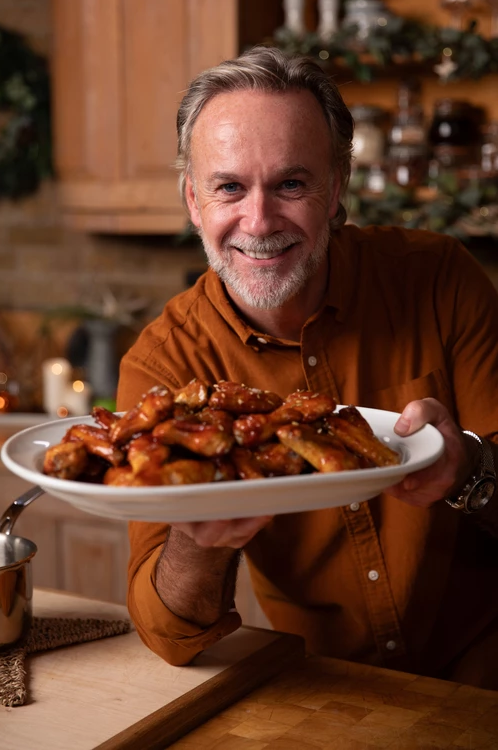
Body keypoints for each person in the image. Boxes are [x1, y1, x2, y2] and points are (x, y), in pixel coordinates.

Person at [117, 46, 498, 689]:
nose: (259, 221)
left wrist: (468, 466)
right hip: (329, 687)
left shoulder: (438, 279)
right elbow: (170, 634)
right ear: (192, 200)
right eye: (229, 187)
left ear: (336, 190)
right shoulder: (165, 363)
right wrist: (198, 539)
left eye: (292, 184)